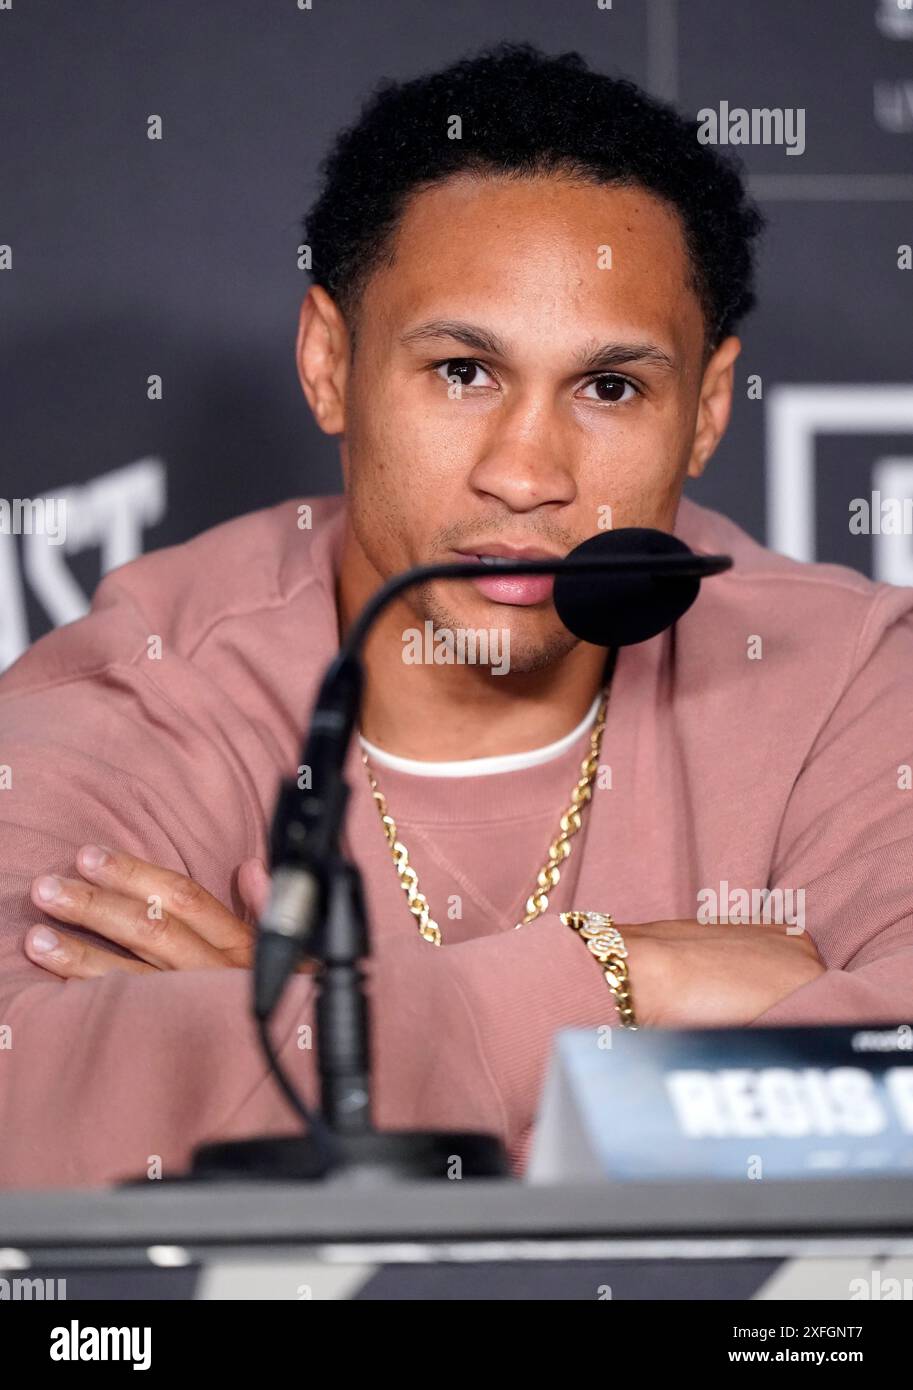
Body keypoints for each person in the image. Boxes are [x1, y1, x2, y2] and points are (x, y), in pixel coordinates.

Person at [1, 44, 910, 1189]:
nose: (525, 473)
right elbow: (24, 1108)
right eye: (463, 371)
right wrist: (620, 980)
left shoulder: (849, 681)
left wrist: (315, 1043)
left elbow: (895, 1096)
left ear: (709, 409)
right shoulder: (143, 683)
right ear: (330, 362)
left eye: (610, 387)